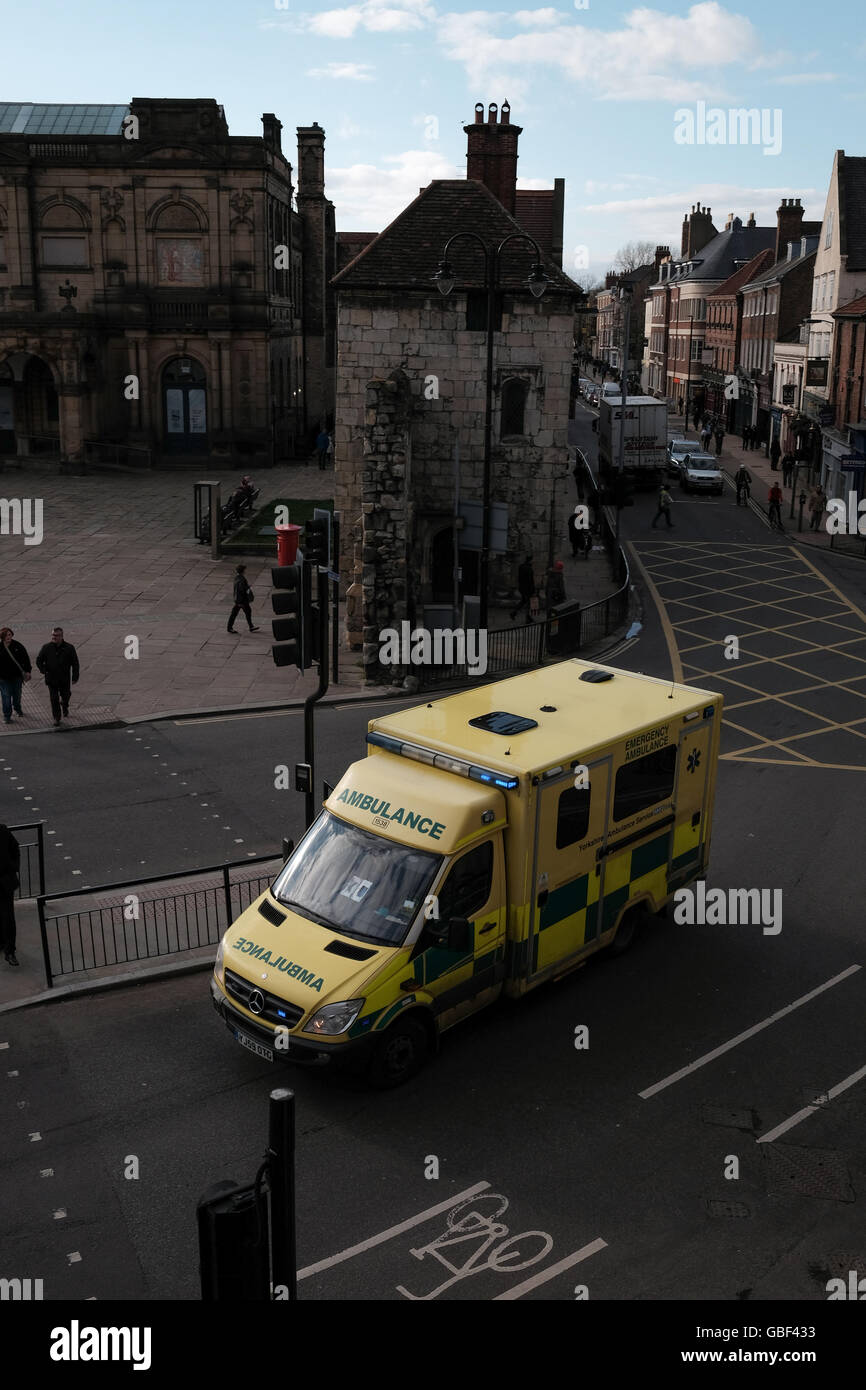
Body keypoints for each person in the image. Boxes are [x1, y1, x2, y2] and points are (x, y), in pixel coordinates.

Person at [36, 627, 79, 727]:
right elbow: (39, 660)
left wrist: (75, 677)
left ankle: (65, 705)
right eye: (53, 635)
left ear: (61, 636)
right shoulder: (46, 647)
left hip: (64, 678)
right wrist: (43, 670)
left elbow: (75, 663)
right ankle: (57, 717)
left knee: (66, 695)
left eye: (56, 635)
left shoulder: (69, 648)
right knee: (53, 698)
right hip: (51, 678)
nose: (54, 637)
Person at [0, 627, 32, 724]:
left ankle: (17, 708)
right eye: (6, 635)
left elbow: (26, 659)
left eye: (10, 635)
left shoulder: (18, 646)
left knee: (17, 695)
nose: (8, 637)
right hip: (3, 678)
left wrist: (28, 671)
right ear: (2, 637)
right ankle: (7, 716)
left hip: (17, 676)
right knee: (6, 696)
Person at [0, 822, 20, 966]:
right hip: (5, 881)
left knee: (8, 918)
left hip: (4, 882)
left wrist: (13, 867)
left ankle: (10, 950)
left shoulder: (2, 830)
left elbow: (15, 847)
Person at [227, 565, 259, 634]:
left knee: (235, 613)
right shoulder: (241, 579)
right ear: (243, 571)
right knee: (247, 612)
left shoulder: (236, 578)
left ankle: (230, 627)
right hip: (242, 600)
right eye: (245, 570)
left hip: (238, 600)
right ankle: (250, 627)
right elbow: (243, 590)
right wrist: (248, 591)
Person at [510, 556, 536, 622]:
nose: (533, 561)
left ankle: (514, 613)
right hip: (528, 589)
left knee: (523, 601)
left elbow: (520, 578)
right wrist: (532, 590)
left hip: (522, 588)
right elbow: (530, 580)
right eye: (532, 560)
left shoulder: (521, 567)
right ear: (530, 560)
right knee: (528, 603)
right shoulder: (529, 569)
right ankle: (527, 618)